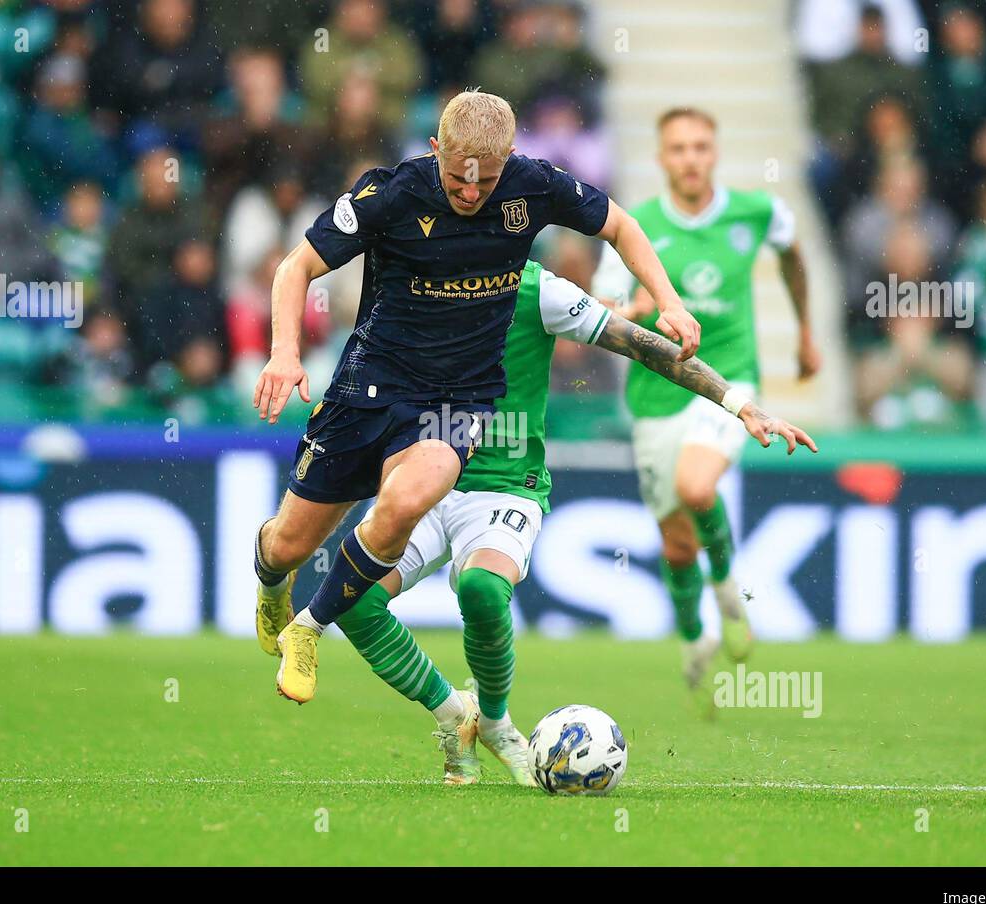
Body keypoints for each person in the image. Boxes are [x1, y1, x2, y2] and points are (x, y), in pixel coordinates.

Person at [252, 90, 701, 707]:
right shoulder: (392, 194)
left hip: (457, 400)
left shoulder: (534, 186)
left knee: (411, 495)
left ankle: (310, 627)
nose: (471, 194)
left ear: (510, 158)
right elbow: (293, 268)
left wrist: (670, 300)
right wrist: (284, 352)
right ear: (435, 149)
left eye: (486, 181)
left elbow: (620, 226)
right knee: (289, 545)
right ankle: (272, 580)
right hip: (368, 389)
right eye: (458, 179)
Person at [336, 259, 816, 785]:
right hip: (419, 477)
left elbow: (645, 345)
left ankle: (495, 722)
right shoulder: (413, 278)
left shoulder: (538, 290)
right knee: (354, 601)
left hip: (504, 483)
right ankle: (454, 714)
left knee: (480, 588)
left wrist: (739, 404)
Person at [591, 107, 819, 687]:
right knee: (674, 545)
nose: (690, 159)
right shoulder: (633, 225)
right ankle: (694, 633)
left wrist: (806, 333)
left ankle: (727, 589)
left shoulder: (758, 211)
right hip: (656, 390)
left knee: (698, 487)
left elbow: (794, 257)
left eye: (699, 147)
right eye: (678, 149)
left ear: (714, 153)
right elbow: (600, 308)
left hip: (732, 379)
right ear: (661, 158)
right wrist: (636, 309)